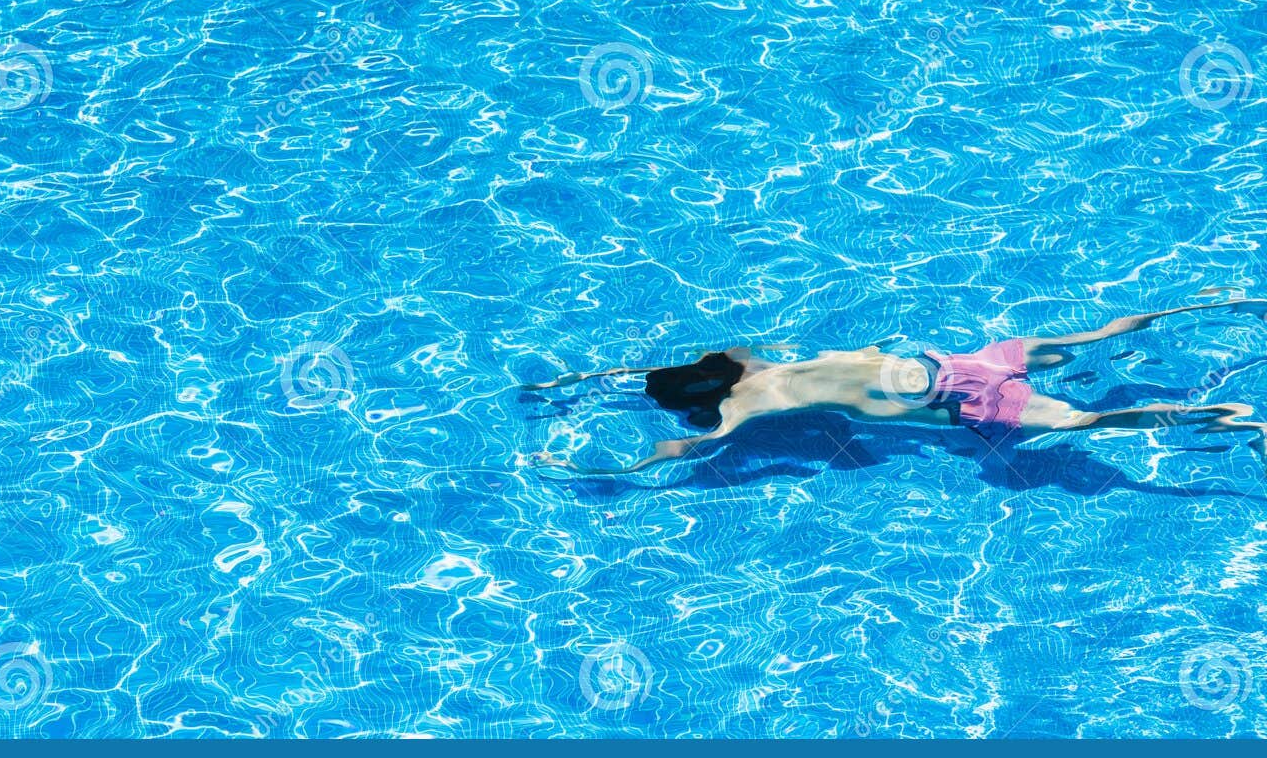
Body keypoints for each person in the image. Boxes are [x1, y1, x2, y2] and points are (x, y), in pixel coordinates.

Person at [525, 299, 1267, 475]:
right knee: (1098, 335)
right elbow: (656, 374)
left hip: (961, 403)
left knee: (1090, 424)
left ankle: (1226, 414)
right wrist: (584, 380)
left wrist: (623, 467)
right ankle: (1210, 304)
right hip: (961, 361)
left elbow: (692, 444)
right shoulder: (745, 362)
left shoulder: (744, 403)